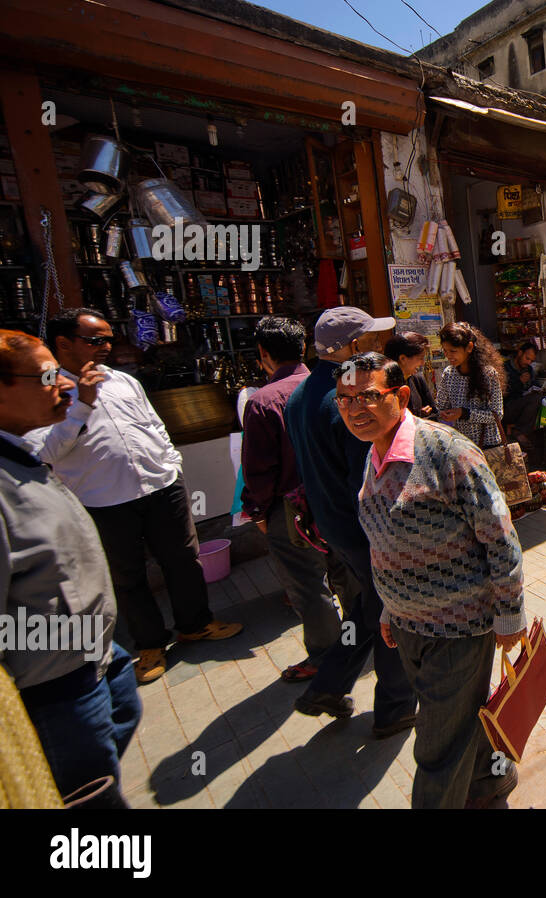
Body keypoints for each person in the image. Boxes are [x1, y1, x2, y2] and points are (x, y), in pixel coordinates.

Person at [335, 352, 526, 808]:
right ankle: (490, 783)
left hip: (459, 629)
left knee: (436, 747)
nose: (355, 409)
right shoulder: (373, 452)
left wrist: (510, 611)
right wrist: (388, 604)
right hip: (407, 626)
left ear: (401, 395)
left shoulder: (446, 451)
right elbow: (385, 538)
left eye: (367, 396)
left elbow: (500, 533)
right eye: (344, 400)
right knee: (458, 721)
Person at [31, 309, 242, 685]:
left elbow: (152, 423)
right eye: (96, 340)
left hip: (160, 485)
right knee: (127, 576)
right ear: (64, 343)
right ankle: (150, 644)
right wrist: (82, 402)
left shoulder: (123, 380)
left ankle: (195, 624)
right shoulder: (47, 388)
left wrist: (171, 462)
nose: (107, 347)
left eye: (109, 338)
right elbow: (45, 452)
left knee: (182, 559)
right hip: (103, 499)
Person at [0, 330, 141, 807]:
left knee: (110, 752)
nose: (59, 385)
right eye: (44, 377)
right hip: (51, 685)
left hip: (92, 654)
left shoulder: (18, 457)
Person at [284, 306, 417, 738]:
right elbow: (373, 480)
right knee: (394, 612)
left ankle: (327, 686)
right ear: (355, 347)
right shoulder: (351, 400)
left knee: (366, 607)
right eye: (372, 340)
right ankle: (396, 708)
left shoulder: (300, 395)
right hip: (366, 530)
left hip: (334, 525)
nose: (379, 347)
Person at [242, 316, 343, 682]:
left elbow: (259, 471)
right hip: (338, 496)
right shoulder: (333, 385)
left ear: (263, 354)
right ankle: (360, 642)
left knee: (307, 585)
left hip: (291, 508)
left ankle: (327, 658)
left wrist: (257, 511)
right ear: (303, 348)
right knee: (347, 575)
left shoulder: (262, 401)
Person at [437, 322, 506, 449]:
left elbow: (497, 414)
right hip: (460, 446)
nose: (448, 356)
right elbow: (441, 406)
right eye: (445, 351)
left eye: (453, 351)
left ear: (469, 347)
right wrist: (443, 413)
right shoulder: (448, 373)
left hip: (487, 445)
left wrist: (464, 413)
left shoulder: (489, 374)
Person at [383, 332, 435, 418]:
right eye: (420, 358)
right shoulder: (384, 385)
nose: (422, 363)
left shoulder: (417, 380)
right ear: (403, 358)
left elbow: (434, 413)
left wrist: (422, 416)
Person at [501, 340, 544, 437]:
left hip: (522, 405)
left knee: (540, 398)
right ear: (520, 353)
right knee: (535, 399)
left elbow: (534, 384)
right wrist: (519, 382)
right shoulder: (504, 368)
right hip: (507, 408)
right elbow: (503, 393)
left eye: (531, 361)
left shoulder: (528, 369)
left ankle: (520, 431)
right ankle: (519, 432)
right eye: (527, 358)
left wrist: (538, 388)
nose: (528, 362)